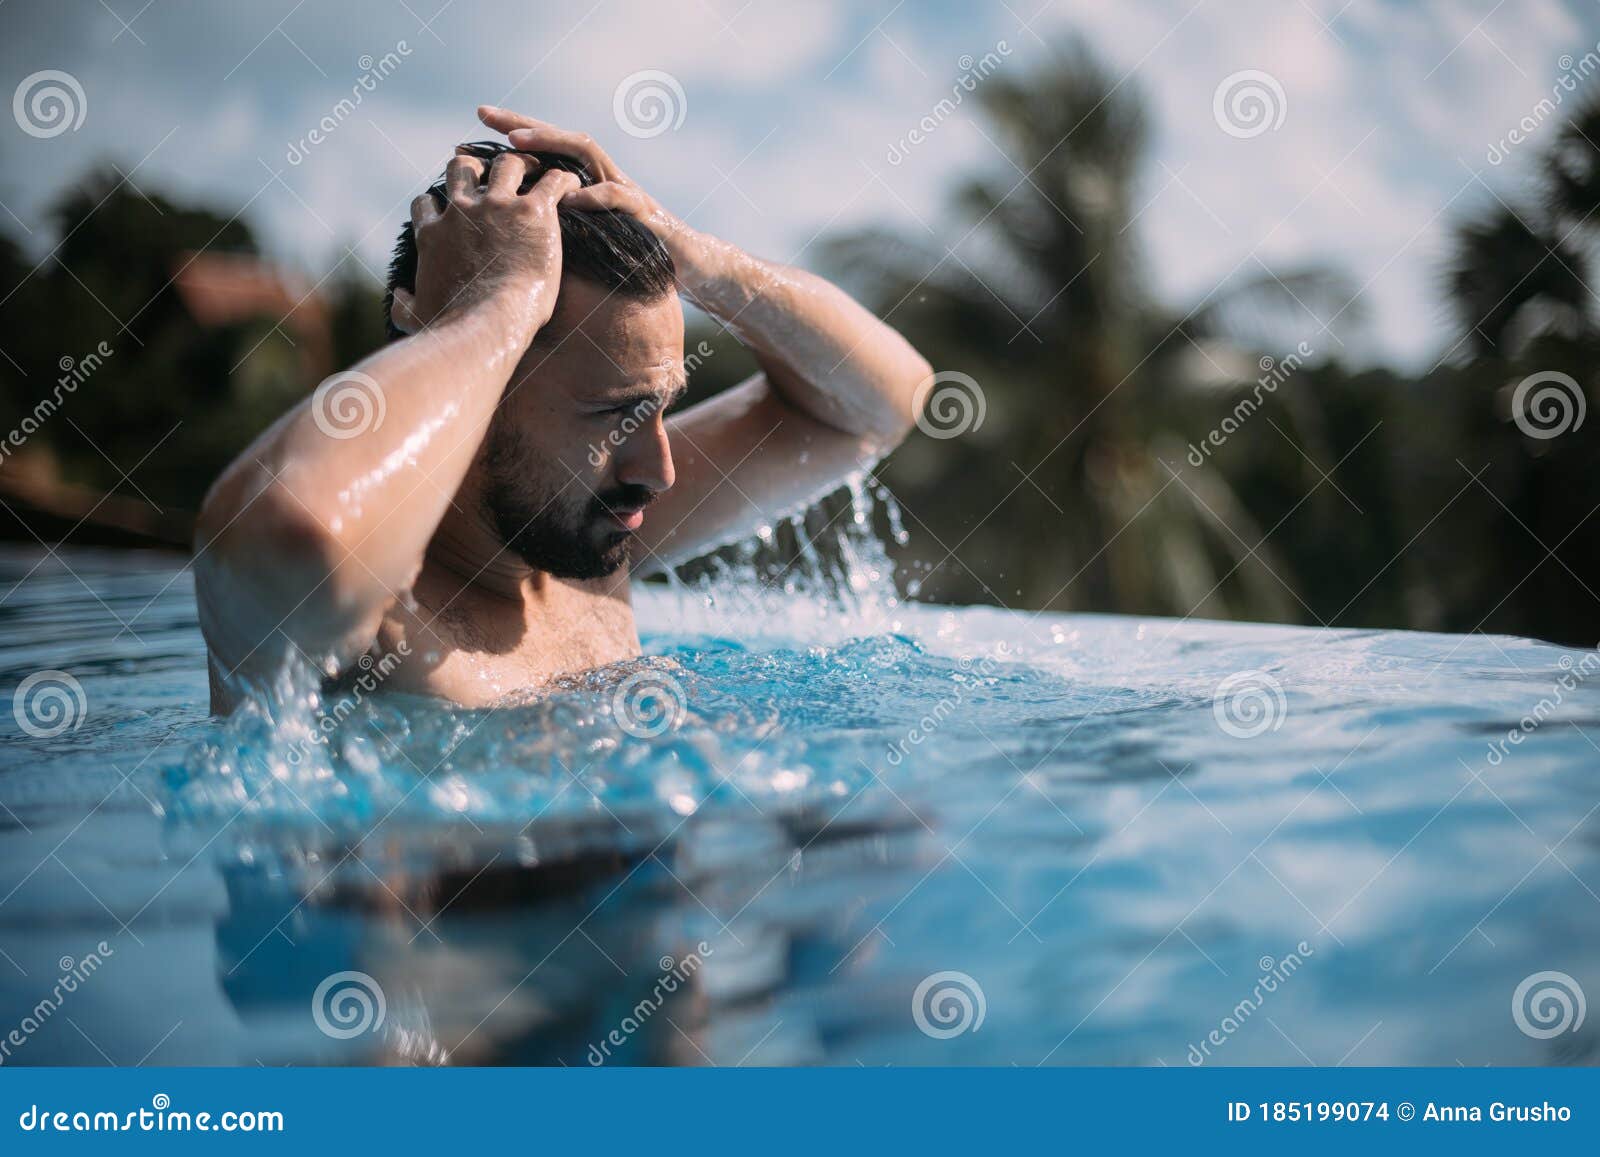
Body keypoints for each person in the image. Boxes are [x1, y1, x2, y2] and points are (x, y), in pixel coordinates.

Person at [195, 106, 932, 710]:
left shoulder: (581, 550)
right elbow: (295, 535)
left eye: (660, 408)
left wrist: (700, 260)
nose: (660, 469)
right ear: (479, 367)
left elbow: (878, 406)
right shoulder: (374, 626)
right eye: (615, 416)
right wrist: (497, 306)